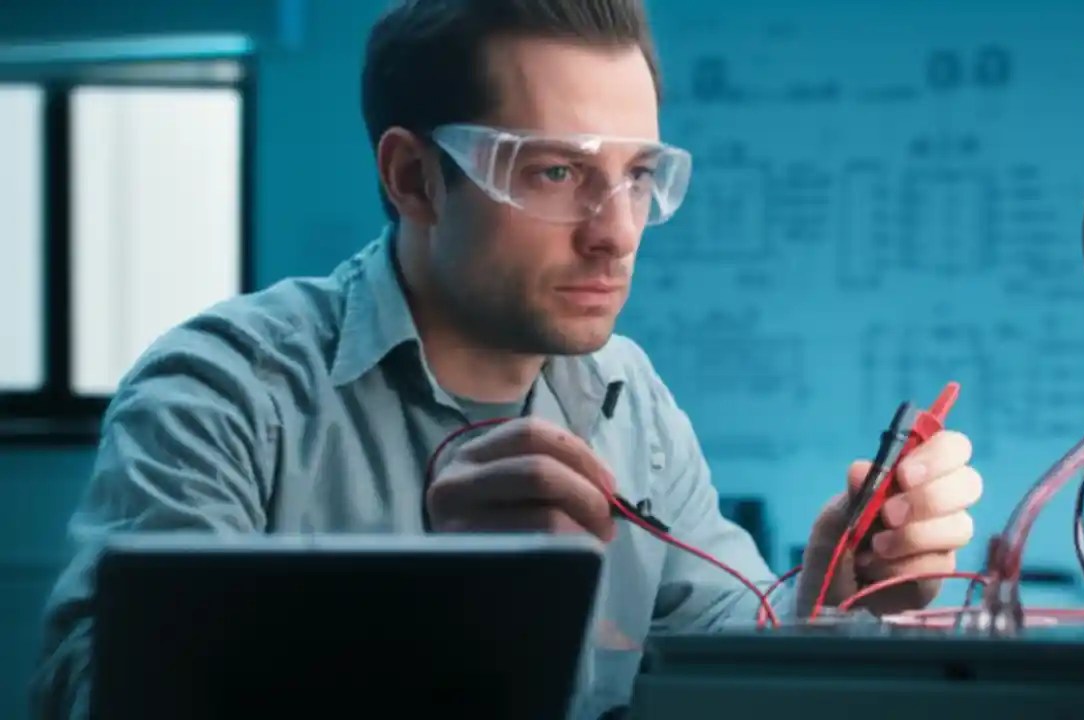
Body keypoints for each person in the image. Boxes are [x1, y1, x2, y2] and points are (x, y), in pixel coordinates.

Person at [31, 0, 984, 717]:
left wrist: (831, 594)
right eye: (558, 172)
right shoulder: (226, 392)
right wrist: (427, 621)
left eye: (639, 177)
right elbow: (95, 696)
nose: (616, 236)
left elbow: (719, 659)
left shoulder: (627, 398)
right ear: (414, 179)